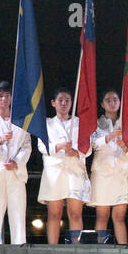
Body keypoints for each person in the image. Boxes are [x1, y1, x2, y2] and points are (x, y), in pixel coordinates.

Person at [37, 87, 92, 244]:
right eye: (60, 100)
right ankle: (53, 248)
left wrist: (77, 152)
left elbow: (87, 147)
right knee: (54, 213)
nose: (64, 103)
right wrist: (60, 146)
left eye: (67, 101)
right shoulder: (47, 123)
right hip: (54, 172)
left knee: (75, 213)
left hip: (75, 171)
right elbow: (42, 146)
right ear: (53, 103)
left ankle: (76, 247)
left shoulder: (80, 123)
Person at [0, 80, 32, 245]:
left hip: (15, 174)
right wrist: (0, 139)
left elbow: (27, 146)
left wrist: (17, 162)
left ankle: (19, 246)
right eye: (1, 96)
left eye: (7, 96)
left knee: (18, 214)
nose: (4, 99)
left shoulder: (20, 120)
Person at [88, 88, 128, 244]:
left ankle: (124, 251)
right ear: (102, 104)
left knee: (119, 216)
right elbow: (92, 146)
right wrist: (109, 137)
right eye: (108, 100)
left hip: (122, 174)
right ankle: (100, 251)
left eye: (115, 99)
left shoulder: (127, 124)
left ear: (120, 102)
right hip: (102, 173)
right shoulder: (95, 124)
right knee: (102, 215)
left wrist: (124, 145)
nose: (112, 103)